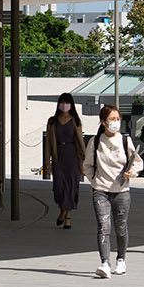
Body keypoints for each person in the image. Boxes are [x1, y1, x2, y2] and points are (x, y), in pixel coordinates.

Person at [80, 103, 141, 278]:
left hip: (121, 190)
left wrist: (132, 173)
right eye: (111, 119)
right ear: (103, 122)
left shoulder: (124, 140)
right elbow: (87, 166)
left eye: (117, 119)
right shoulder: (96, 141)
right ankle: (105, 263)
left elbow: (138, 162)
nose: (115, 122)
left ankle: (121, 259)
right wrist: (94, 182)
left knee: (121, 227)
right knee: (103, 226)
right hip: (101, 190)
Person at [43, 93, 84, 229]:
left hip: (72, 156)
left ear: (71, 105)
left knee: (71, 186)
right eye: (62, 102)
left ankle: (68, 217)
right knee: (59, 187)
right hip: (58, 156)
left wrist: (82, 162)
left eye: (67, 103)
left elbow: (80, 142)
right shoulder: (52, 121)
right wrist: (47, 161)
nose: (64, 105)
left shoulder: (75, 121)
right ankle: (62, 210)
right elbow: (48, 142)